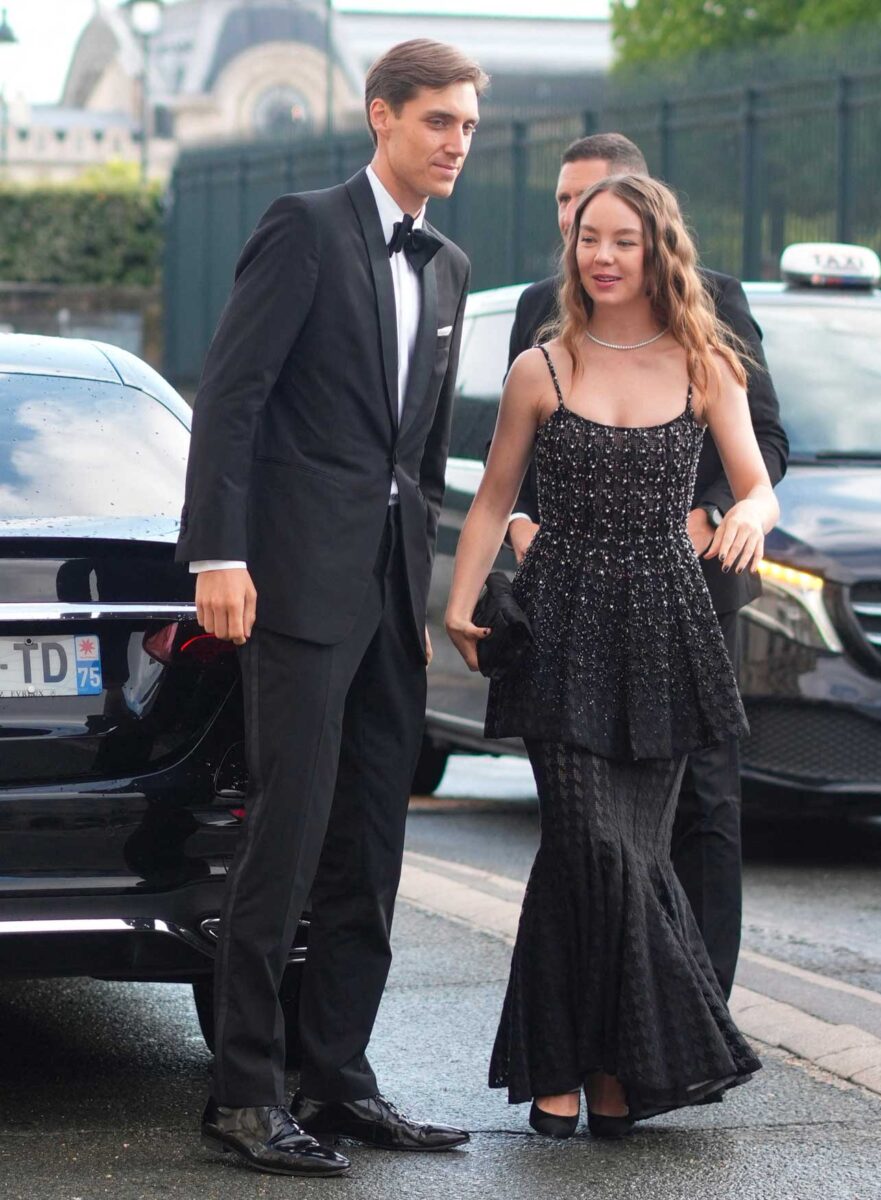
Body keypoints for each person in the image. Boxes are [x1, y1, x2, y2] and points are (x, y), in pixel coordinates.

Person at [176, 40, 488, 1177]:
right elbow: (233, 397)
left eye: (467, 125)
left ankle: (339, 1080)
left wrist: (428, 580)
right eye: (438, 120)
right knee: (290, 837)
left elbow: (424, 450)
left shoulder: (449, 267)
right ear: (380, 116)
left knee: (371, 845)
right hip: (297, 589)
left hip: (391, 595)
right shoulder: (304, 228)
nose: (456, 142)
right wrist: (220, 554)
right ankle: (244, 1094)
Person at [446, 173, 776, 1137]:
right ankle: (629, 1058)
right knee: (591, 840)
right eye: (590, 237)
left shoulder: (708, 363)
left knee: (622, 852)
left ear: (657, 249)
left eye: (623, 240)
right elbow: (492, 497)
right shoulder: (539, 369)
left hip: (668, 627)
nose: (602, 255)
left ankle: (589, 1066)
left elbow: (757, 483)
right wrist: (461, 603)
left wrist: (747, 516)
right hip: (561, 623)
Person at [504, 133, 788, 1001]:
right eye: (565, 207)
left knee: (703, 805)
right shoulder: (541, 309)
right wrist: (520, 523)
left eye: (594, 209)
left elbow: (764, 443)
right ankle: (610, 1014)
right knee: (587, 823)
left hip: (686, 590)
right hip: (573, 596)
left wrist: (715, 513)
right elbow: (515, 455)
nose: (577, 227)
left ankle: (699, 1006)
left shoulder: (715, 305)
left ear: (646, 218)